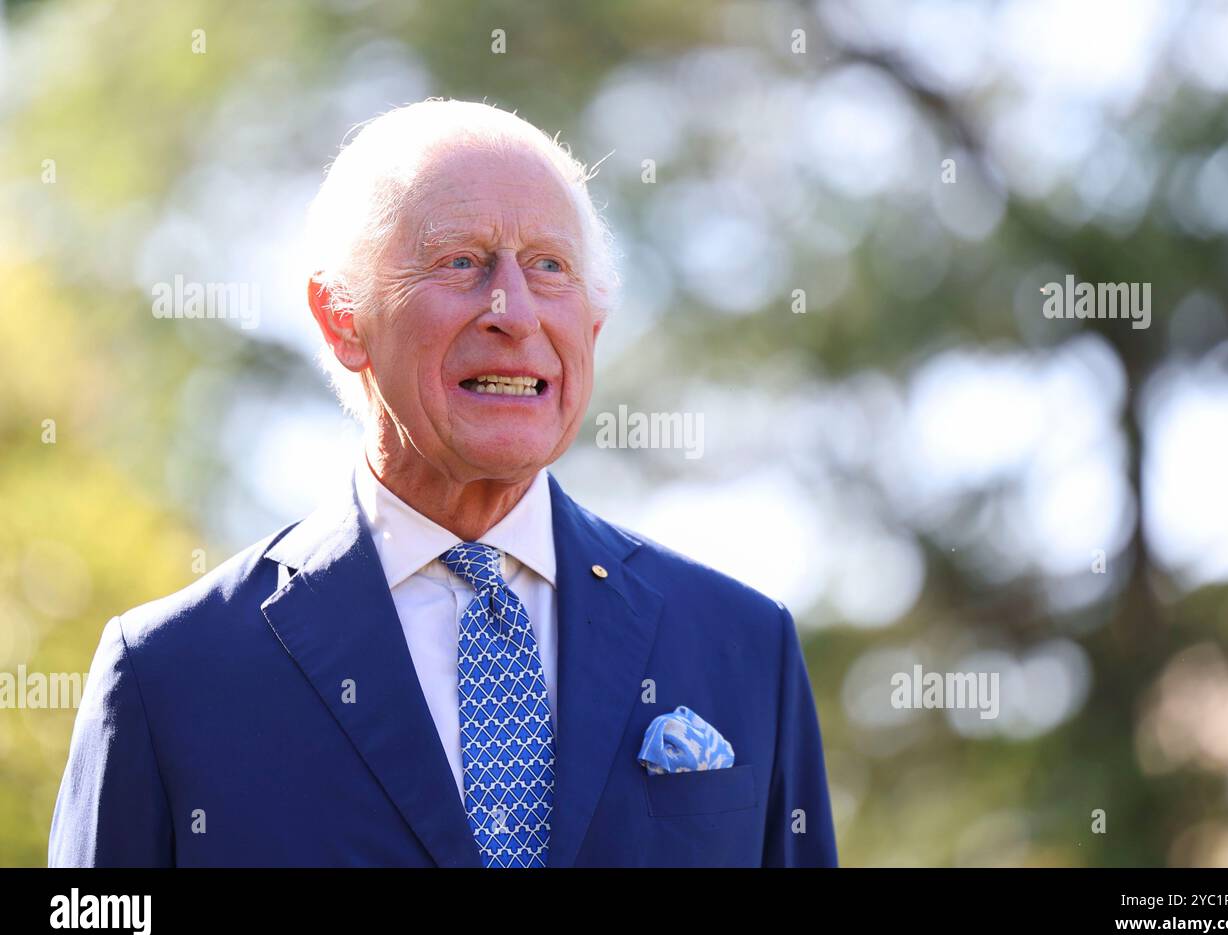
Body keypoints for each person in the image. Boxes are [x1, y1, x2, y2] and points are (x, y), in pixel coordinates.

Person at [48, 99, 837, 867]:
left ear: (592, 327)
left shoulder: (743, 646)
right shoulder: (171, 674)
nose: (514, 312)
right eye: (460, 262)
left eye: (550, 267)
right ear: (341, 320)